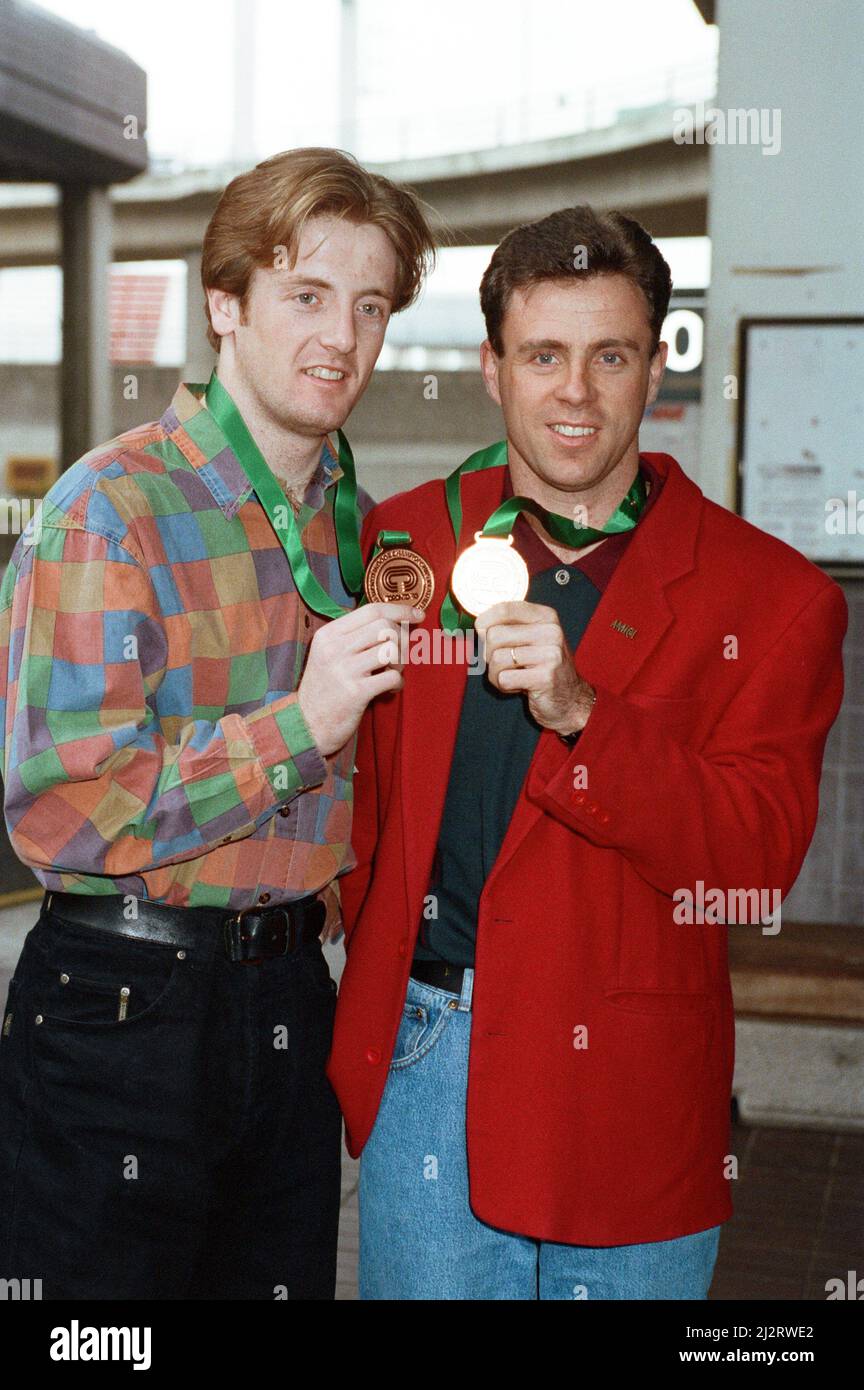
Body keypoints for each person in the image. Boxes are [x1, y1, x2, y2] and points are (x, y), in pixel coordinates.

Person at [326, 205, 848, 1300]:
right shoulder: (409, 542)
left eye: (609, 356)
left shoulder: (775, 598)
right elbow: (368, 805)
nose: (575, 392)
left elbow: (748, 872)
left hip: (632, 1104)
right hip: (428, 1068)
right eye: (544, 355)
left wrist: (582, 713)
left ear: (656, 368)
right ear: (493, 369)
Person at [0, 146, 434, 1300]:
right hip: (123, 1003)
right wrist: (298, 726)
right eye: (305, 295)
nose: (342, 337)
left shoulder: (356, 525)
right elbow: (62, 809)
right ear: (224, 304)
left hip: (293, 993)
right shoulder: (110, 509)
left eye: (371, 304)